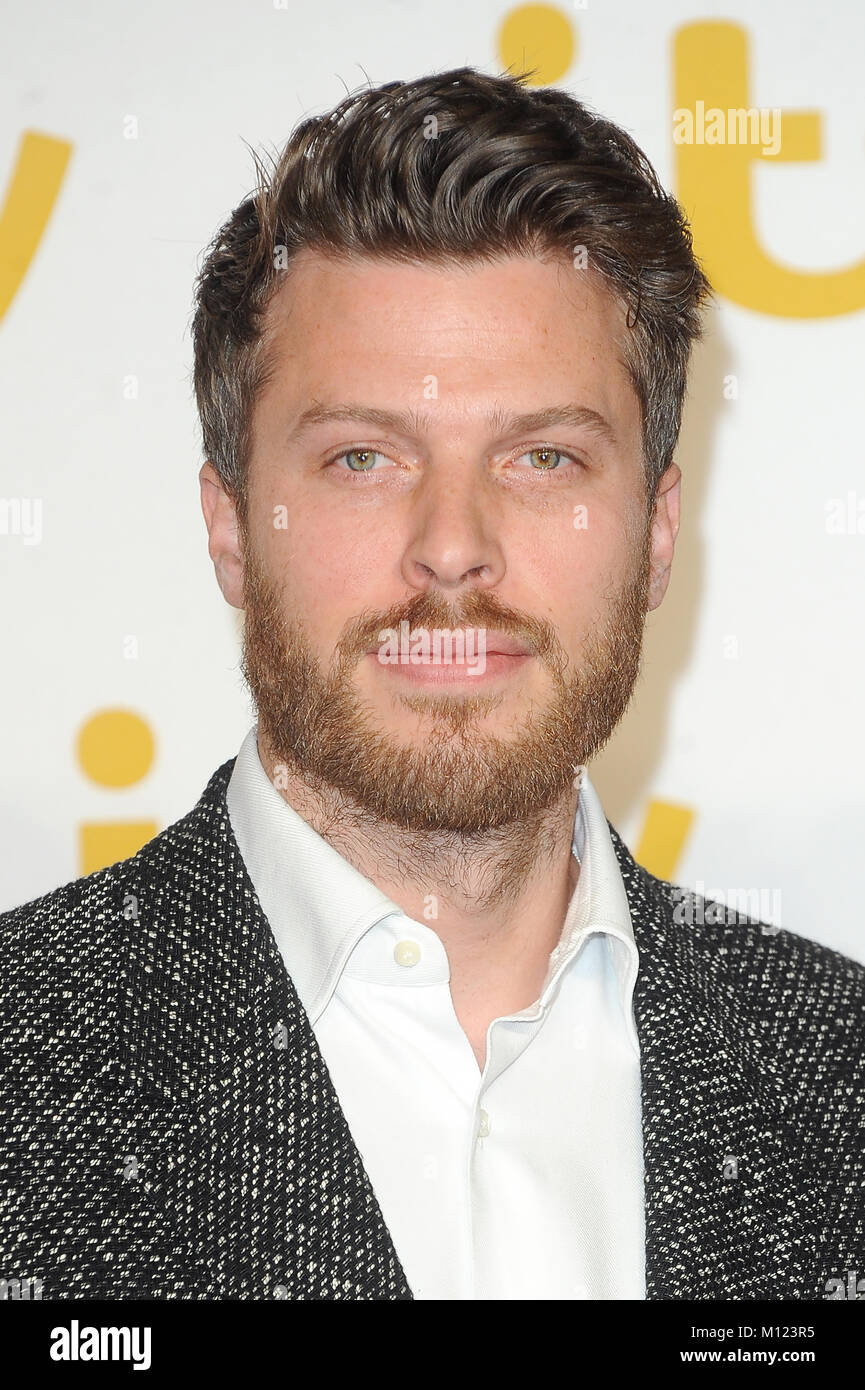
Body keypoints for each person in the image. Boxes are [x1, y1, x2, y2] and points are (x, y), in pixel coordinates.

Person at [1, 66, 862, 1302]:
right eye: (362, 457)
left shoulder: (839, 1078)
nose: (452, 544)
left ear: (657, 532)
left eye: (544, 455)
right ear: (231, 525)